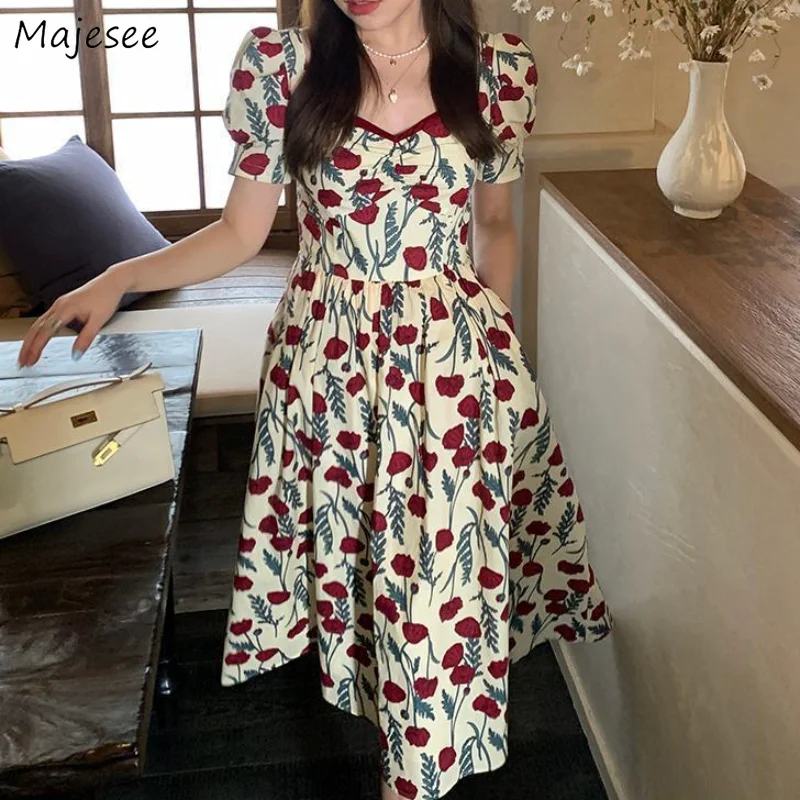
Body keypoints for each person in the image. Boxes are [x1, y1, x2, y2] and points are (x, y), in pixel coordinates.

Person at [18, 0, 612, 796]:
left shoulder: (498, 73)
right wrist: (119, 276)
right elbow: (240, 232)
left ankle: (413, 771)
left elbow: (495, 222)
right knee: (367, 577)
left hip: (451, 378)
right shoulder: (281, 69)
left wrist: (491, 337)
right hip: (326, 374)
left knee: (433, 591)